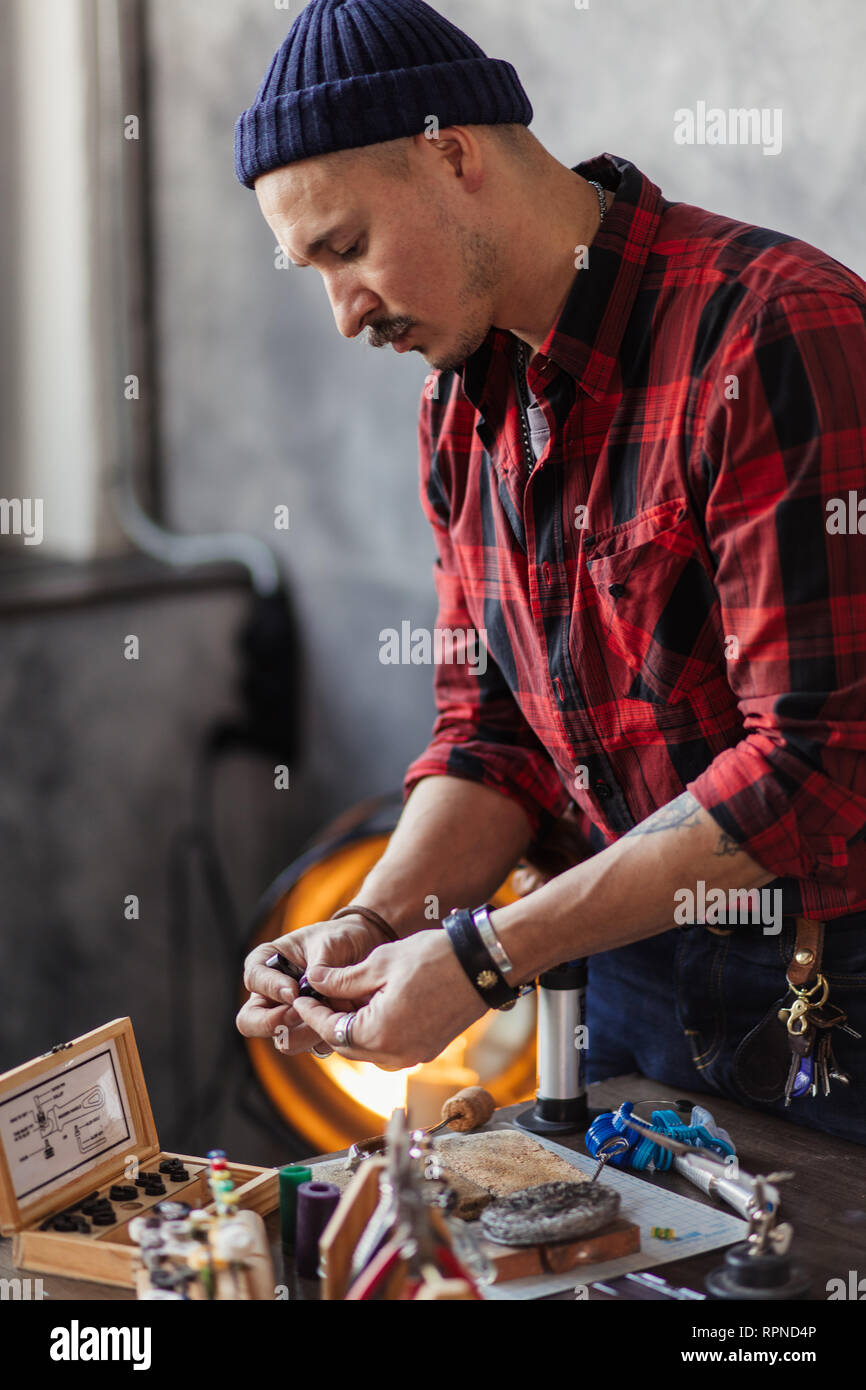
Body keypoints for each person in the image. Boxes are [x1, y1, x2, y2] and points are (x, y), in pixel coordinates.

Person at [234, 0, 866, 1143]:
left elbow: (816, 762)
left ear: (452, 152)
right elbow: (492, 740)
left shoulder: (773, 330)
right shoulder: (453, 408)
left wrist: (485, 955)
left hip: (825, 994)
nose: (342, 312)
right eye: (309, 268)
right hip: (612, 979)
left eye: (345, 246)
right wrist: (380, 922)